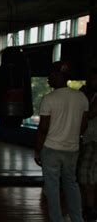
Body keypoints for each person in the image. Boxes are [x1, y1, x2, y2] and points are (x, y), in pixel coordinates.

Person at [34, 61, 88, 222]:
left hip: (51, 149)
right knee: (71, 183)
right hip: (72, 149)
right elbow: (83, 126)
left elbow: (43, 128)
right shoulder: (81, 97)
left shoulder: (49, 99)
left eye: (50, 75)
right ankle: (77, 218)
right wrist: (70, 137)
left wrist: (38, 150)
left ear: (59, 76)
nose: (48, 79)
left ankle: (57, 219)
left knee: (52, 186)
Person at [78, 68, 97, 220]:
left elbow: (90, 114)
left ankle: (90, 207)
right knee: (89, 176)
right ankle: (90, 207)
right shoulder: (89, 95)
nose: (91, 81)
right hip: (89, 139)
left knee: (85, 174)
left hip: (94, 141)